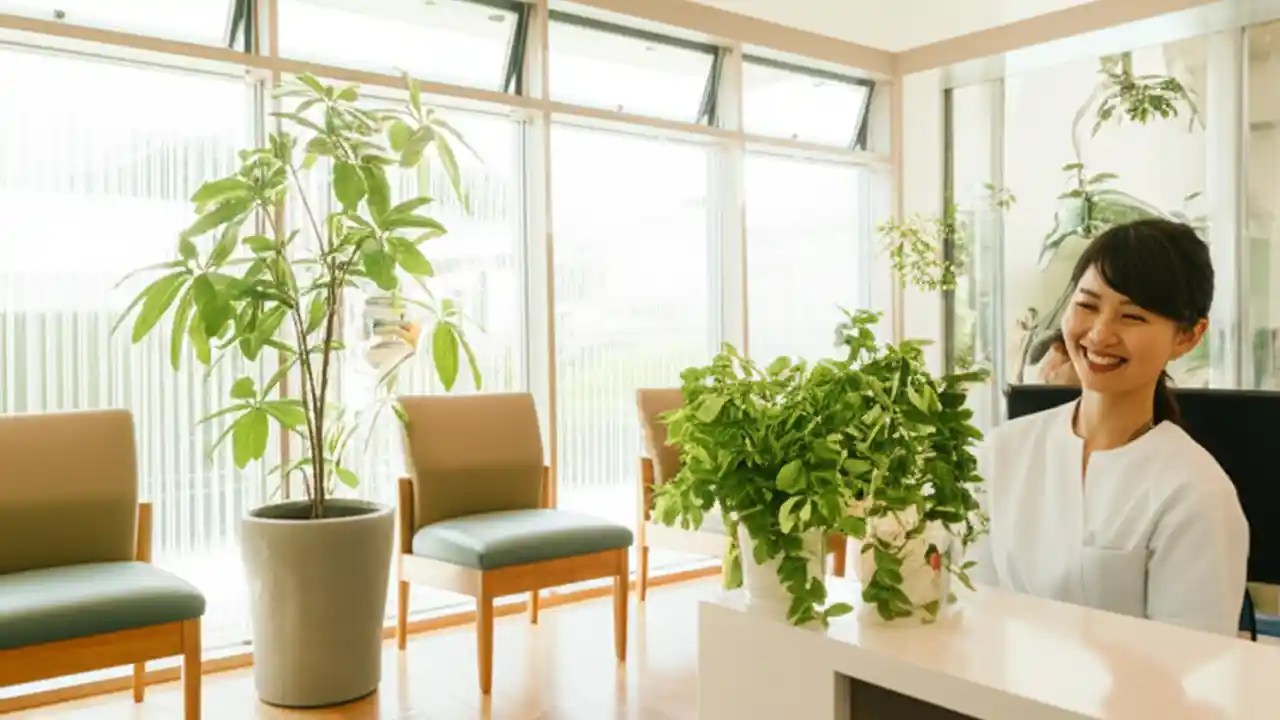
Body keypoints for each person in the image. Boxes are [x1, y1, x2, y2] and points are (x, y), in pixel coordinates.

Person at [968, 219, 1249, 637]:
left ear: (1188, 337)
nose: (1100, 334)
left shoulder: (1195, 492)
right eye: (1086, 305)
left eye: (1132, 316)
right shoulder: (1000, 452)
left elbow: (1193, 667)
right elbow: (971, 607)